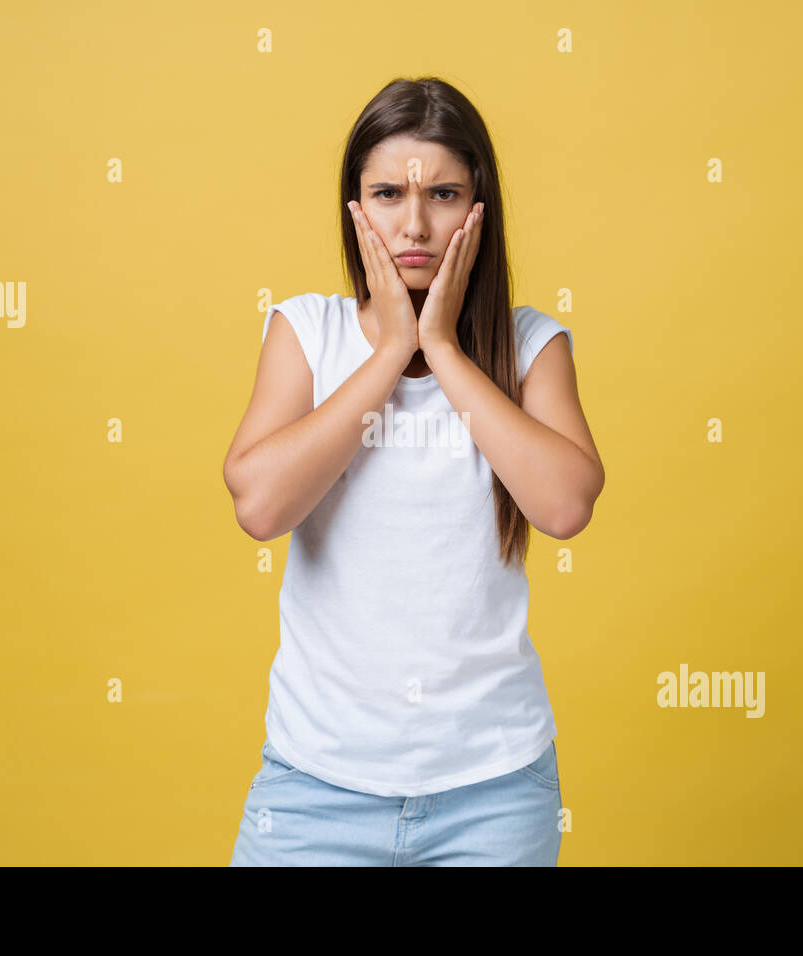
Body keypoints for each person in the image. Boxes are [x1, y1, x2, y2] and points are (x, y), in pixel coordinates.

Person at [222, 76, 604, 865]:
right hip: (314, 787)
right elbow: (258, 506)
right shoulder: (307, 331)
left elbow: (565, 506)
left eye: (444, 194)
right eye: (388, 193)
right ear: (354, 207)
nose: (416, 223)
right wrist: (393, 351)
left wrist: (446, 352)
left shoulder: (532, 345)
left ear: (478, 210)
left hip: (492, 793)